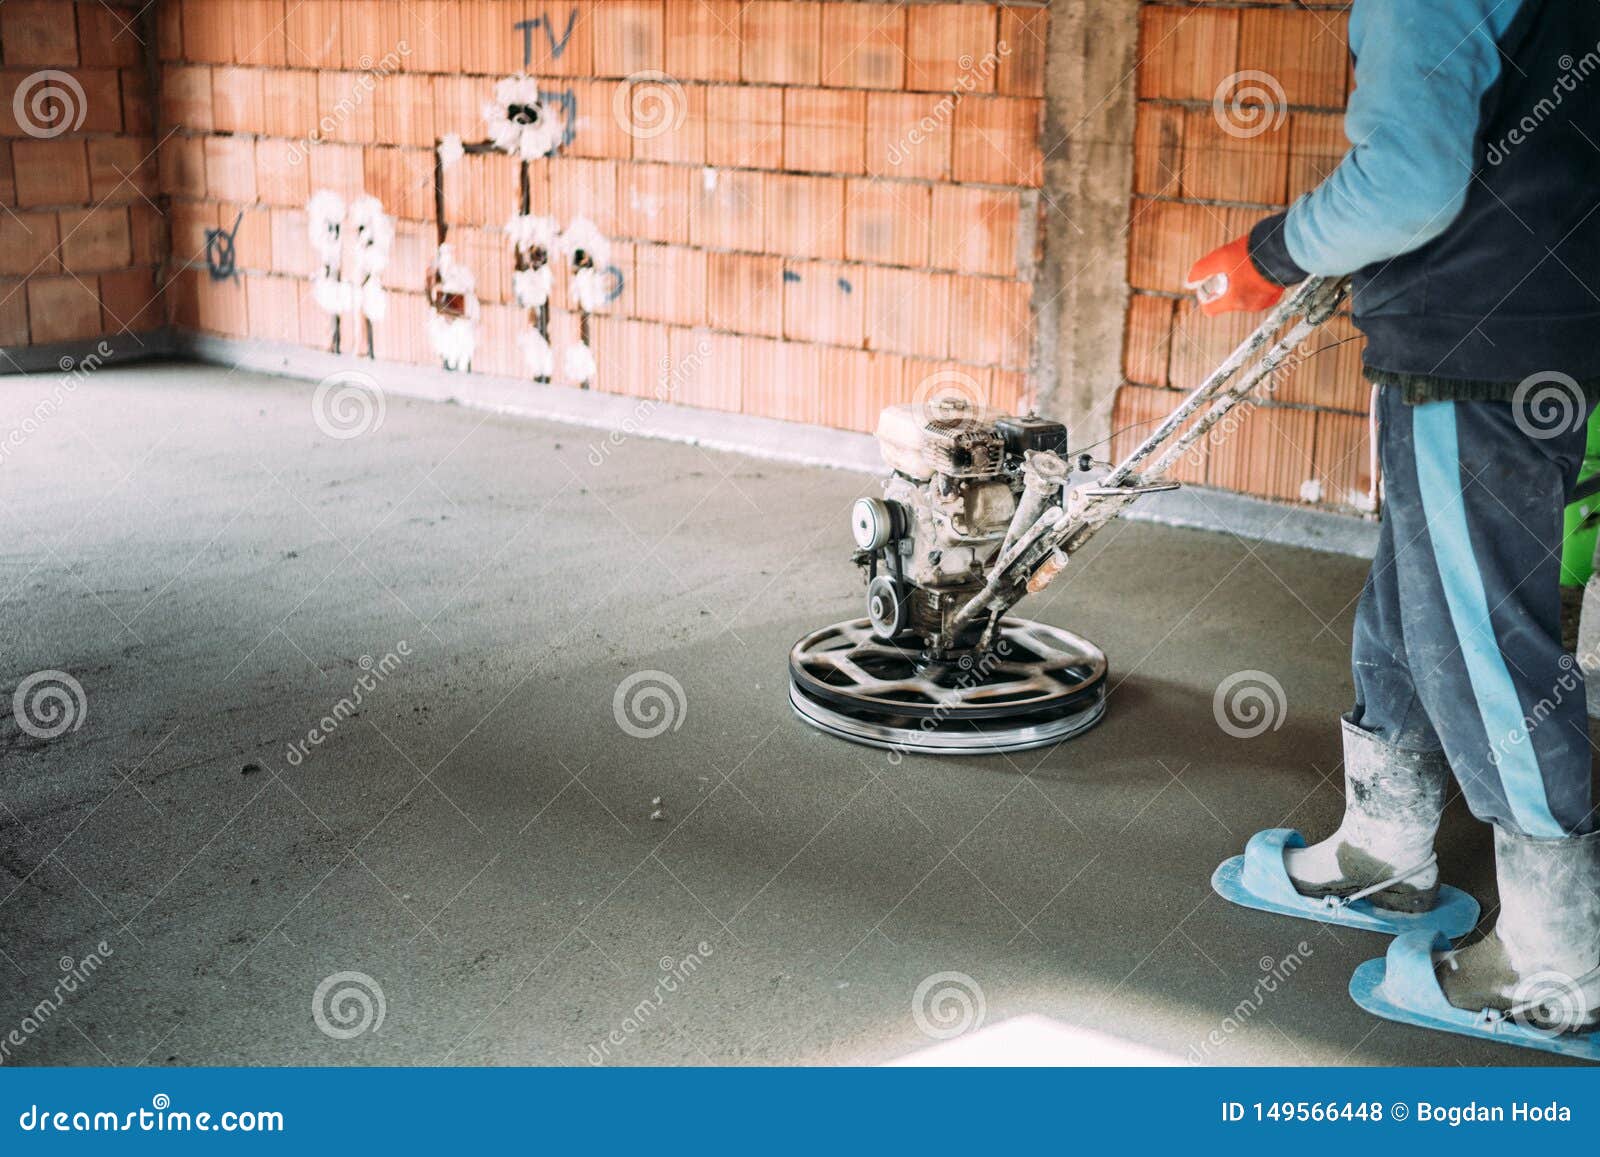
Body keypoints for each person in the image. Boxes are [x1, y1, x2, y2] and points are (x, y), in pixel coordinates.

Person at [1192, 0, 1600, 1037]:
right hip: (1542, 325)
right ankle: (1381, 848)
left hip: (1474, 342)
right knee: (1421, 595)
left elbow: (1408, 187)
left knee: (1476, 638)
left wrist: (1271, 251)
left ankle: (1556, 959)